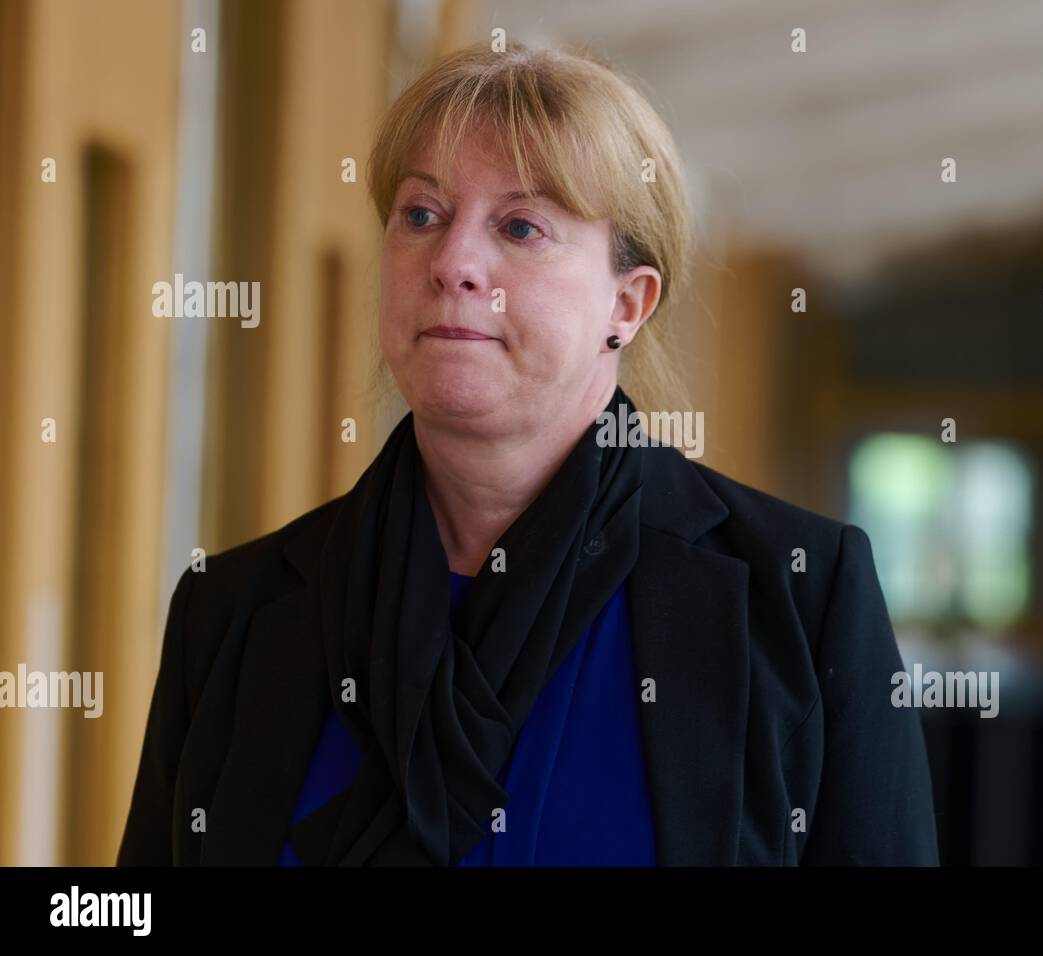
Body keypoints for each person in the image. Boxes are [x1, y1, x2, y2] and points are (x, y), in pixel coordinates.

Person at [117, 40, 939, 867]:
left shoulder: (800, 597)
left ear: (628, 301)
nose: (453, 264)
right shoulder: (231, 611)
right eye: (421, 215)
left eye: (520, 226)